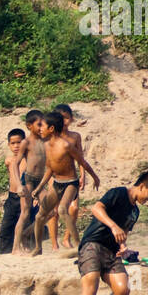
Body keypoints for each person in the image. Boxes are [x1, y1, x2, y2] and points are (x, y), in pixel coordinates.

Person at [69, 171, 148, 295]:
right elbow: (96, 208)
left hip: (112, 253)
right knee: (90, 290)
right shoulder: (118, 193)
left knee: (123, 289)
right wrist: (113, 226)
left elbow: (123, 232)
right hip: (93, 245)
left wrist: (123, 246)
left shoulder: (135, 212)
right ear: (142, 186)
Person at [32, 110, 100, 254]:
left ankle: (78, 246)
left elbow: (82, 162)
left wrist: (94, 177)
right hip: (56, 184)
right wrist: (39, 187)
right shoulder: (45, 146)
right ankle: (38, 248)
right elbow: (50, 169)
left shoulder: (66, 145)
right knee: (39, 216)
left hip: (70, 183)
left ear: (51, 129)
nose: (40, 129)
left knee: (63, 209)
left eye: (42, 126)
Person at [49, 104, 86, 248]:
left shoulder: (75, 136)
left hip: (72, 178)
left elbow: (80, 158)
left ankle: (66, 238)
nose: (64, 122)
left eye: (67, 118)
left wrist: (83, 175)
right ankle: (54, 244)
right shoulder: (51, 138)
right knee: (54, 211)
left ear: (71, 119)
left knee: (74, 208)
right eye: (61, 119)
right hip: (55, 177)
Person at [15, 111, 49, 253]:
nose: (42, 127)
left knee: (51, 211)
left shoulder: (45, 141)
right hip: (28, 179)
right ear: (29, 126)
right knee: (25, 212)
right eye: (39, 124)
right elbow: (15, 164)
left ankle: (27, 233)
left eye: (43, 124)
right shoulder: (26, 143)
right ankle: (15, 248)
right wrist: (18, 184)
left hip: (40, 182)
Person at [0, 129, 27, 254]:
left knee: (25, 224)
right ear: (8, 145)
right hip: (12, 197)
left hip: (25, 197)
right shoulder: (9, 160)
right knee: (6, 226)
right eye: (13, 143)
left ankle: (25, 248)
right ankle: (3, 252)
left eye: (19, 142)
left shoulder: (28, 160)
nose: (16, 146)